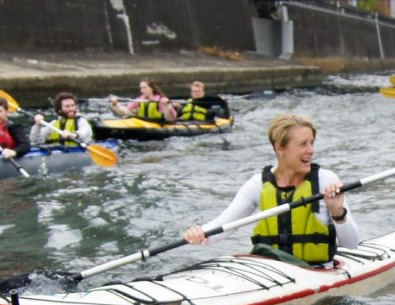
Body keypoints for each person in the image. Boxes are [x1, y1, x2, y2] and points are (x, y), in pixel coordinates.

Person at [183, 113, 360, 267]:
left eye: (312, 143)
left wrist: (337, 211)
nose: (311, 150)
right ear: (280, 148)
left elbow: (351, 244)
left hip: (317, 270)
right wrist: (200, 233)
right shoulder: (258, 184)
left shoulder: (325, 181)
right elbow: (224, 226)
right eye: (303, 144)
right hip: (273, 270)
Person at [109, 78, 177, 122]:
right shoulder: (140, 100)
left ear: (151, 88)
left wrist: (166, 105)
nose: (142, 90)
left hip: (157, 123)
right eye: (141, 88)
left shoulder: (160, 100)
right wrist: (115, 104)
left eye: (144, 88)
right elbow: (126, 110)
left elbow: (171, 118)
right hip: (143, 122)